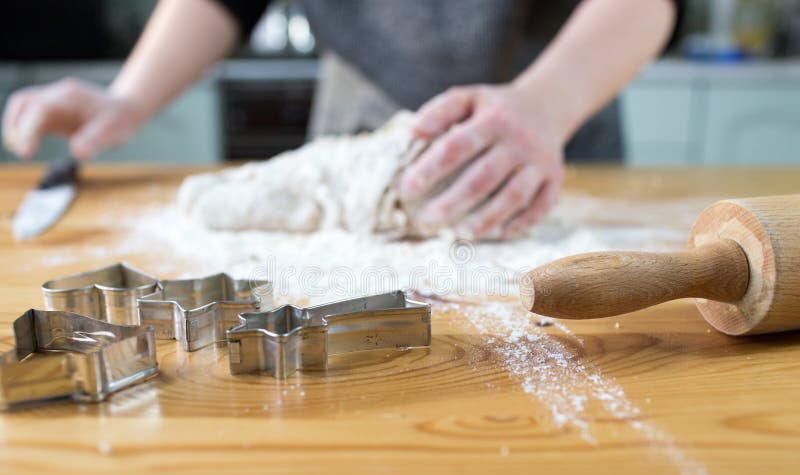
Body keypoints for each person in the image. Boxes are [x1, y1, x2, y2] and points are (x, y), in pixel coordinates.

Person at [1, 0, 679, 239]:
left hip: (550, 112)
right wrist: (130, 97)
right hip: (359, 121)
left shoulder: (549, 109)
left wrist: (550, 102)